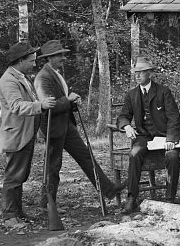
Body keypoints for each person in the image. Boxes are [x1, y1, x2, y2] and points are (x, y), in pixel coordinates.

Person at [33, 39, 126, 210]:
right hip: (53, 128)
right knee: (53, 167)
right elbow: (48, 105)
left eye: (62, 54)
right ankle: (47, 204)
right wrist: (68, 101)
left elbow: (62, 101)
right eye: (59, 55)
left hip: (66, 125)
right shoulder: (42, 78)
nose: (63, 58)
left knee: (86, 157)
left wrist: (73, 102)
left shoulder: (55, 73)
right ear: (50, 57)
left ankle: (109, 190)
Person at [0, 41, 55, 224]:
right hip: (16, 135)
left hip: (24, 133)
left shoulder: (19, 76)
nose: (34, 63)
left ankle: (17, 211)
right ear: (20, 60)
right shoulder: (9, 81)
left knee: (21, 174)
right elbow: (16, 106)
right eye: (31, 60)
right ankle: (9, 216)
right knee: (13, 176)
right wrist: (41, 105)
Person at [115, 57, 180, 213]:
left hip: (165, 136)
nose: (137, 76)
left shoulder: (163, 92)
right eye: (135, 73)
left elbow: (174, 117)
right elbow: (123, 115)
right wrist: (126, 126)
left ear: (150, 74)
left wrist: (171, 139)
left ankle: (170, 198)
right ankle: (132, 198)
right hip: (144, 137)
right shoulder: (132, 94)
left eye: (141, 72)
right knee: (134, 154)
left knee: (173, 156)